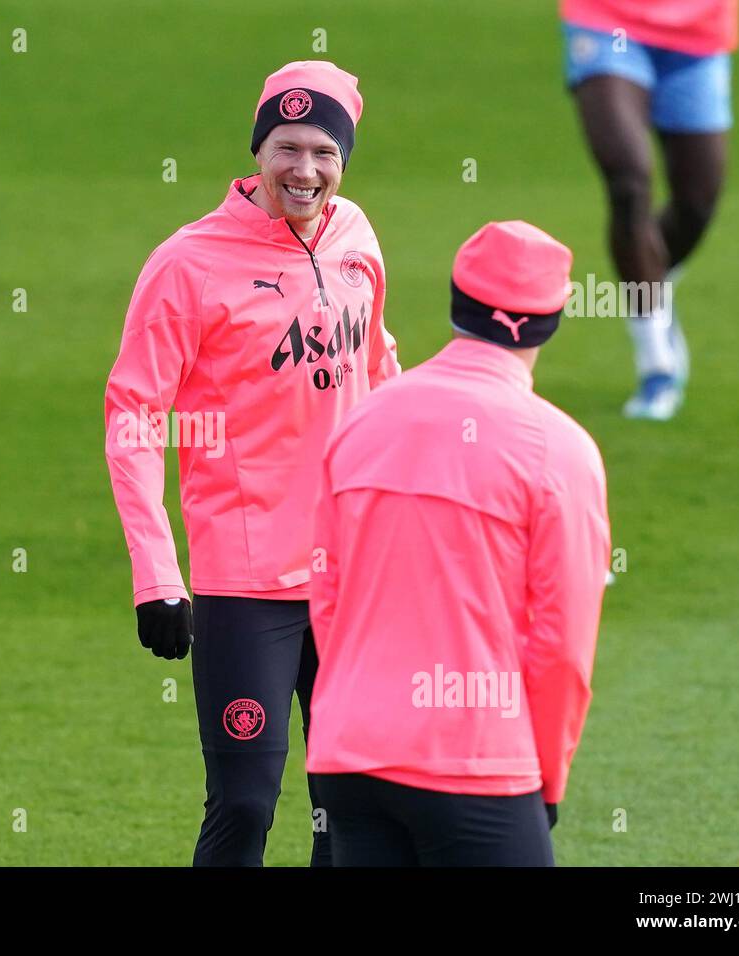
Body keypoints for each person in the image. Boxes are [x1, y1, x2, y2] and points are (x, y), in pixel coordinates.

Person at [105, 61, 399, 866]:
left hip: (350, 572)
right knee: (244, 801)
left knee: (353, 801)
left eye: (324, 154)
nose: (304, 171)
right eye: (287, 148)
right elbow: (133, 415)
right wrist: (156, 573)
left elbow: (380, 376)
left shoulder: (357, 238)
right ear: (257, 152)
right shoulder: (186, 264)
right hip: (244, 582)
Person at [307, 221, 610, 866]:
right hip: (477, 763)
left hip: (350, 756)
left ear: (456, 302)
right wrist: (547, 774)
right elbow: (562, 644)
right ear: (551, 321)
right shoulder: (561, 451)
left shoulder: (363, 422)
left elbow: (326, 594)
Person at [560, 0, 739, 419]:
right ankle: (657, 364)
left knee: (697, 202)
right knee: (628, 181)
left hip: (699, 31)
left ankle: (652, 277)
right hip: (605, 22)